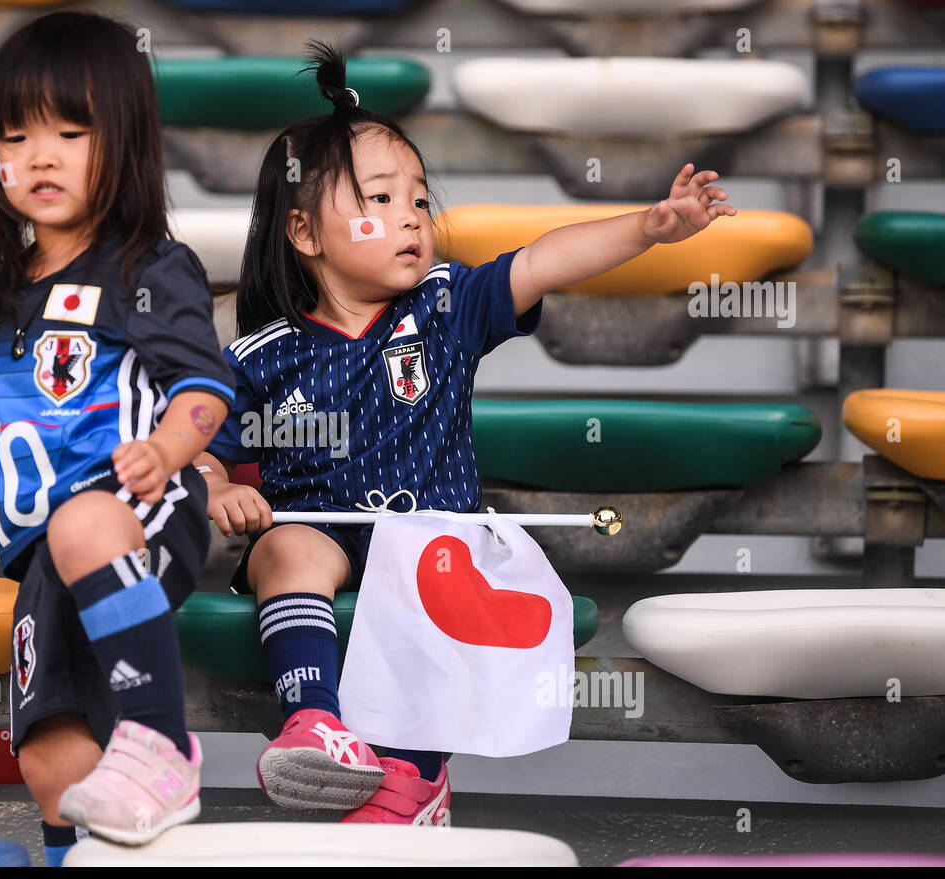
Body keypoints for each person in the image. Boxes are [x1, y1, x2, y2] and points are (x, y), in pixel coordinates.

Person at [193, 41, 735, 825]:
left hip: (432, 538)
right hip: (329, 533)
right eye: (380, 200)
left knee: (430, 584)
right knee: (283, 549)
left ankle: (412, 779)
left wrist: (647, 227)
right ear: (306, 233)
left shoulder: (445, 306)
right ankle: (316, 723)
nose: (412, 218)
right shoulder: (261, 356)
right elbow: (204, 450)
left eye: (419, 200)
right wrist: (216, 490)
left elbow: (545, 260)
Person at [0, 11, 234, 863]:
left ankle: (163, 747)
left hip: (136, 511)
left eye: (71, 131)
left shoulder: (148, 268)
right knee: (49, 760)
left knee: (85, 521)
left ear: (124, 141)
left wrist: (165, 451)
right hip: (39, 560)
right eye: (16, 136)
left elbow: (205, 391)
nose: (40, 156)